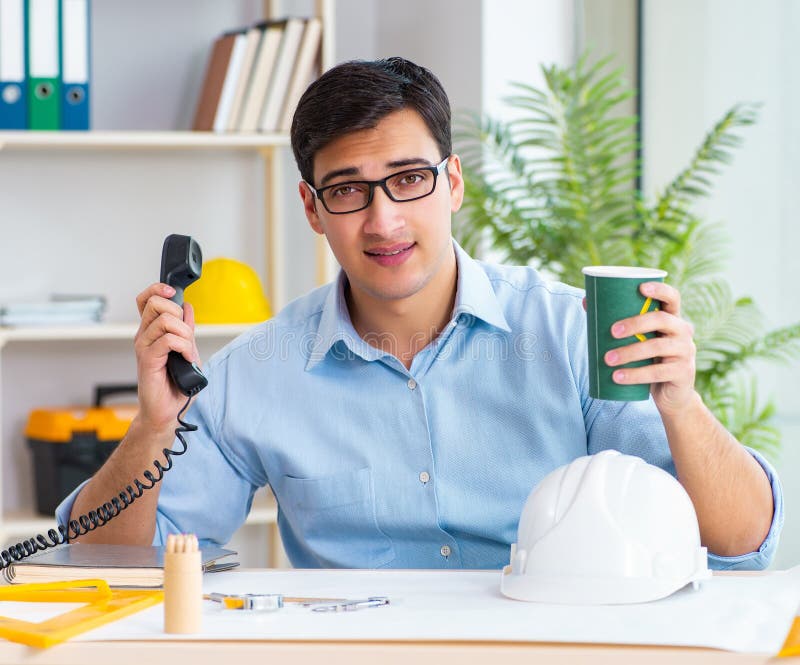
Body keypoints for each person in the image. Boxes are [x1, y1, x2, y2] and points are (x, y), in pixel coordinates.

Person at [59, 57, 782, 570]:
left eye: (409, 179)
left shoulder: (569, 332)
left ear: (453, 182)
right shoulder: (256, 371)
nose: (384, 221)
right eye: (348, 190)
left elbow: (741, 544)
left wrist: (682, 405)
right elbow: (112, 563)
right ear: (312, 209)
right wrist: (155, 425)